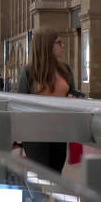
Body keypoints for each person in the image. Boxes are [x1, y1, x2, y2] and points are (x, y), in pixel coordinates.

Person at [16, 27, 81, 173]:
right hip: (35, 131)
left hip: (59, 130)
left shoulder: (66, 69)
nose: (63, 46)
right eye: (59, 43)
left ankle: (51, 197)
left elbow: (72, 94)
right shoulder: (29, 72)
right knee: (40, 174)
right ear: (47, 45)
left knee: (56, 174)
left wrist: (73, 98)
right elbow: (19, 103)